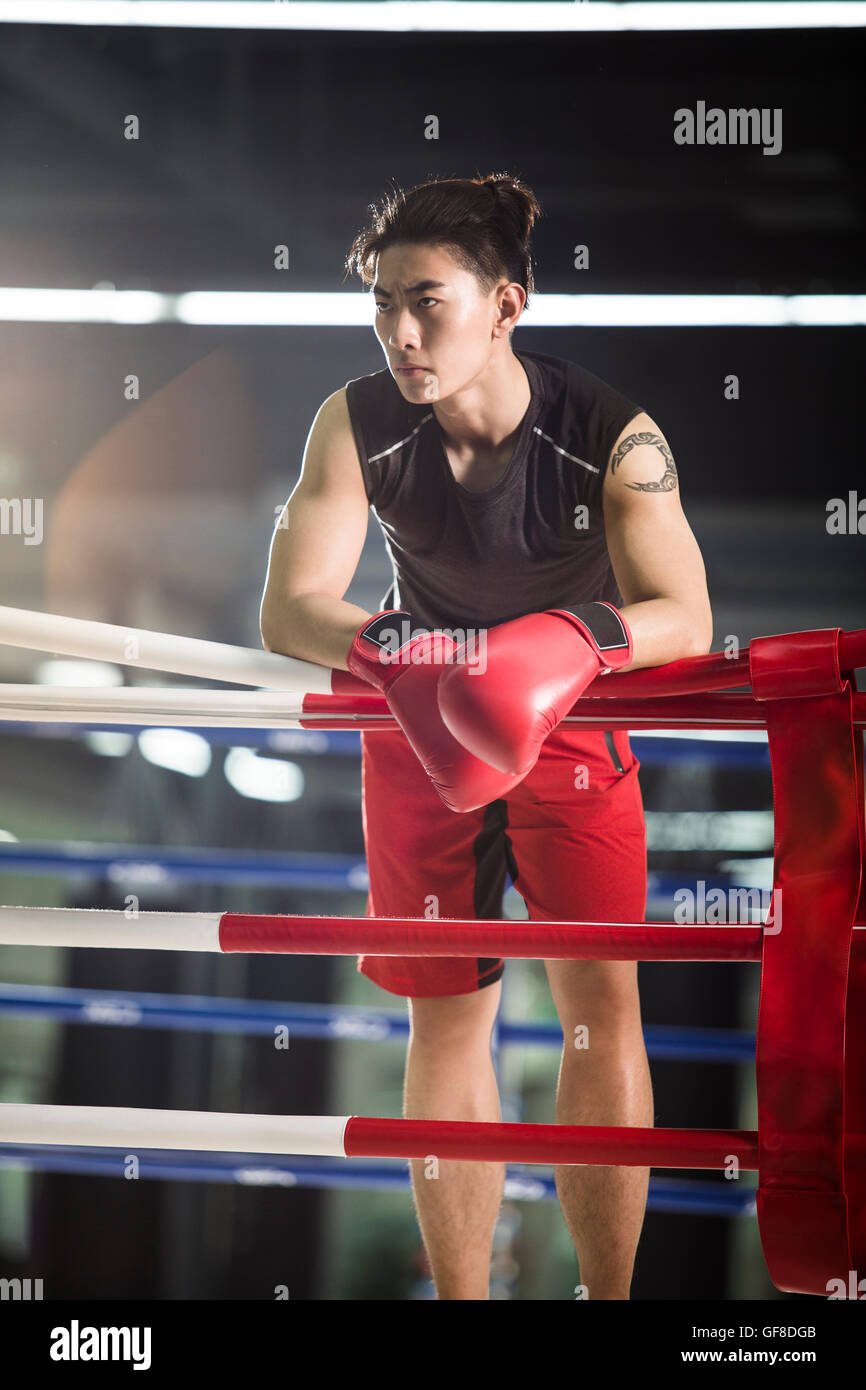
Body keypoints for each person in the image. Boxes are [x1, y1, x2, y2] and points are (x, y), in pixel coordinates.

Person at [260, 173, 713, 1300]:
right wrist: (405, 652)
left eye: (429, 303)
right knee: (445, 1022)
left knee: (598, 1017)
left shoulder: (611, 435)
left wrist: (561, 641)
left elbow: (686, 615)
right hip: (421, 733)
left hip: (568, 727)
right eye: (381, 306)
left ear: (507, 303)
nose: (400, 335)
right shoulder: (355, 420)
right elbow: (288, 605)